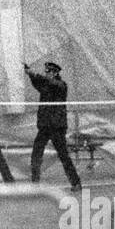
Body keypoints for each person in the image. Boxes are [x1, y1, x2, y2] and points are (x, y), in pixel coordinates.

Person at [24, 60, 82, 190]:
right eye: (46, 72)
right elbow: (38, 83)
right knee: (36, 154)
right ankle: (35, 183)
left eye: (49, 72)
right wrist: (29, 73)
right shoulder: (47, 86)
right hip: (45, 126)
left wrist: (34, 73)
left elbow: (48, 82)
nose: (47, 74)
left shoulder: (61, 85)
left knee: (63, 156)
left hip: (56, 127)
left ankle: (76, 183)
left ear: (55, 73)